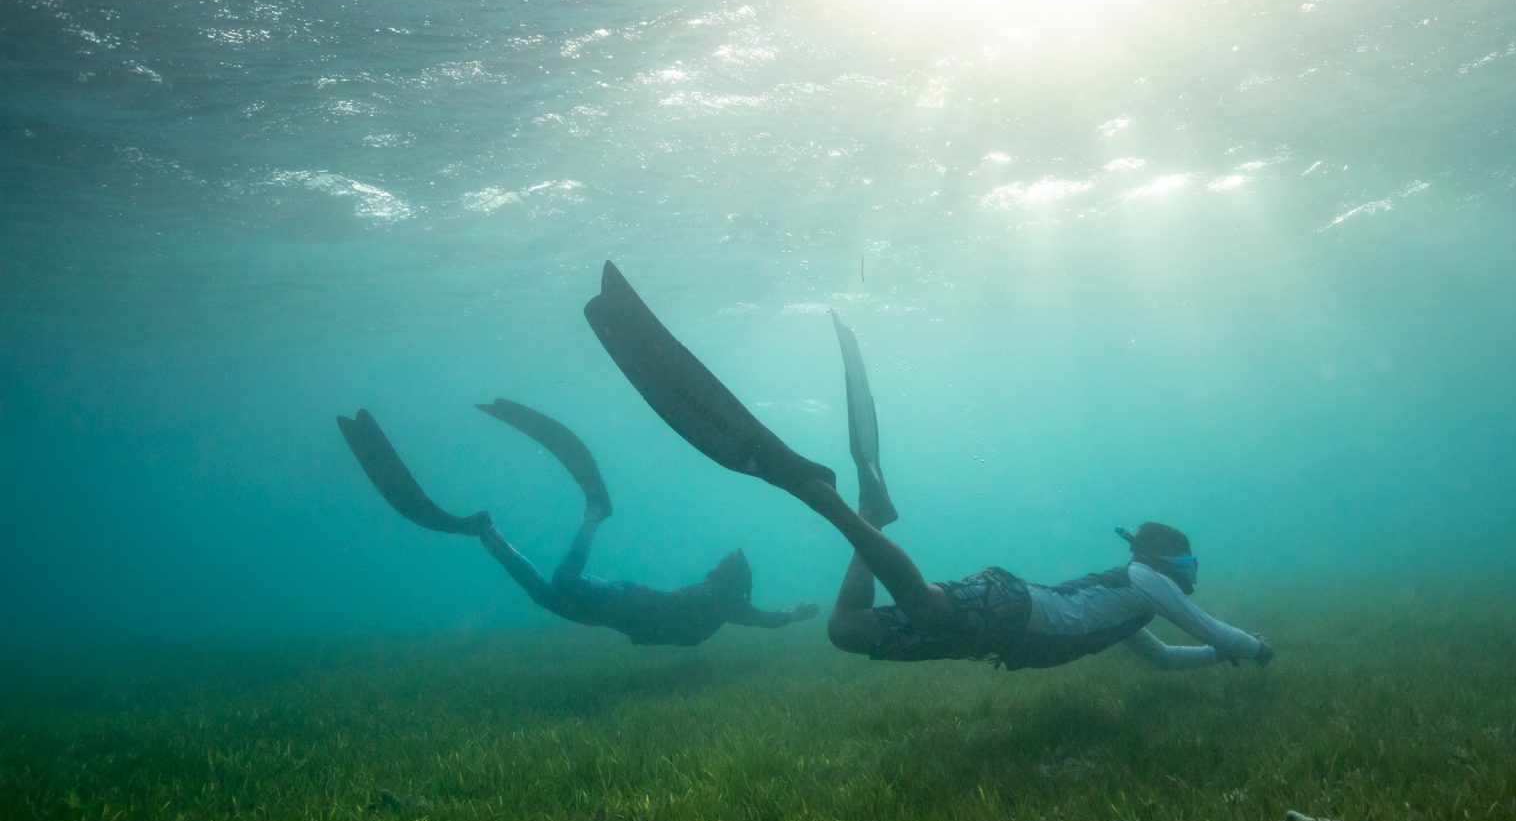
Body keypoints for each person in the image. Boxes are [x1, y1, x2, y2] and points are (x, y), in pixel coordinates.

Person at [583, 262, 1272, 670]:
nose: (1188, 582)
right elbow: (1215, 633)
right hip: (1012, 609)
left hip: (1001, 630)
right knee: (919, 603)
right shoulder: (1146, 578)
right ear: (1170, 565)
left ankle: (872, 513)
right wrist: (1256, 652)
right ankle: (822, 497)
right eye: (1188, 571)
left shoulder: (1128, 608)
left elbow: (1175, 654)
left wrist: (1219, 660)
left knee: (845, 631)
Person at [335, 398, 817, 646]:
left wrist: (793, 614)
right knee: (563, 582)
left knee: (547, 597)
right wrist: (792, 613)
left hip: (619, 609)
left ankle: (486, 531)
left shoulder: (723, 602)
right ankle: (595, 512)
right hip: (623, 603)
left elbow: (764, 619)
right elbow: (764, 619)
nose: (717, 569)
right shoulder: (722, 602)